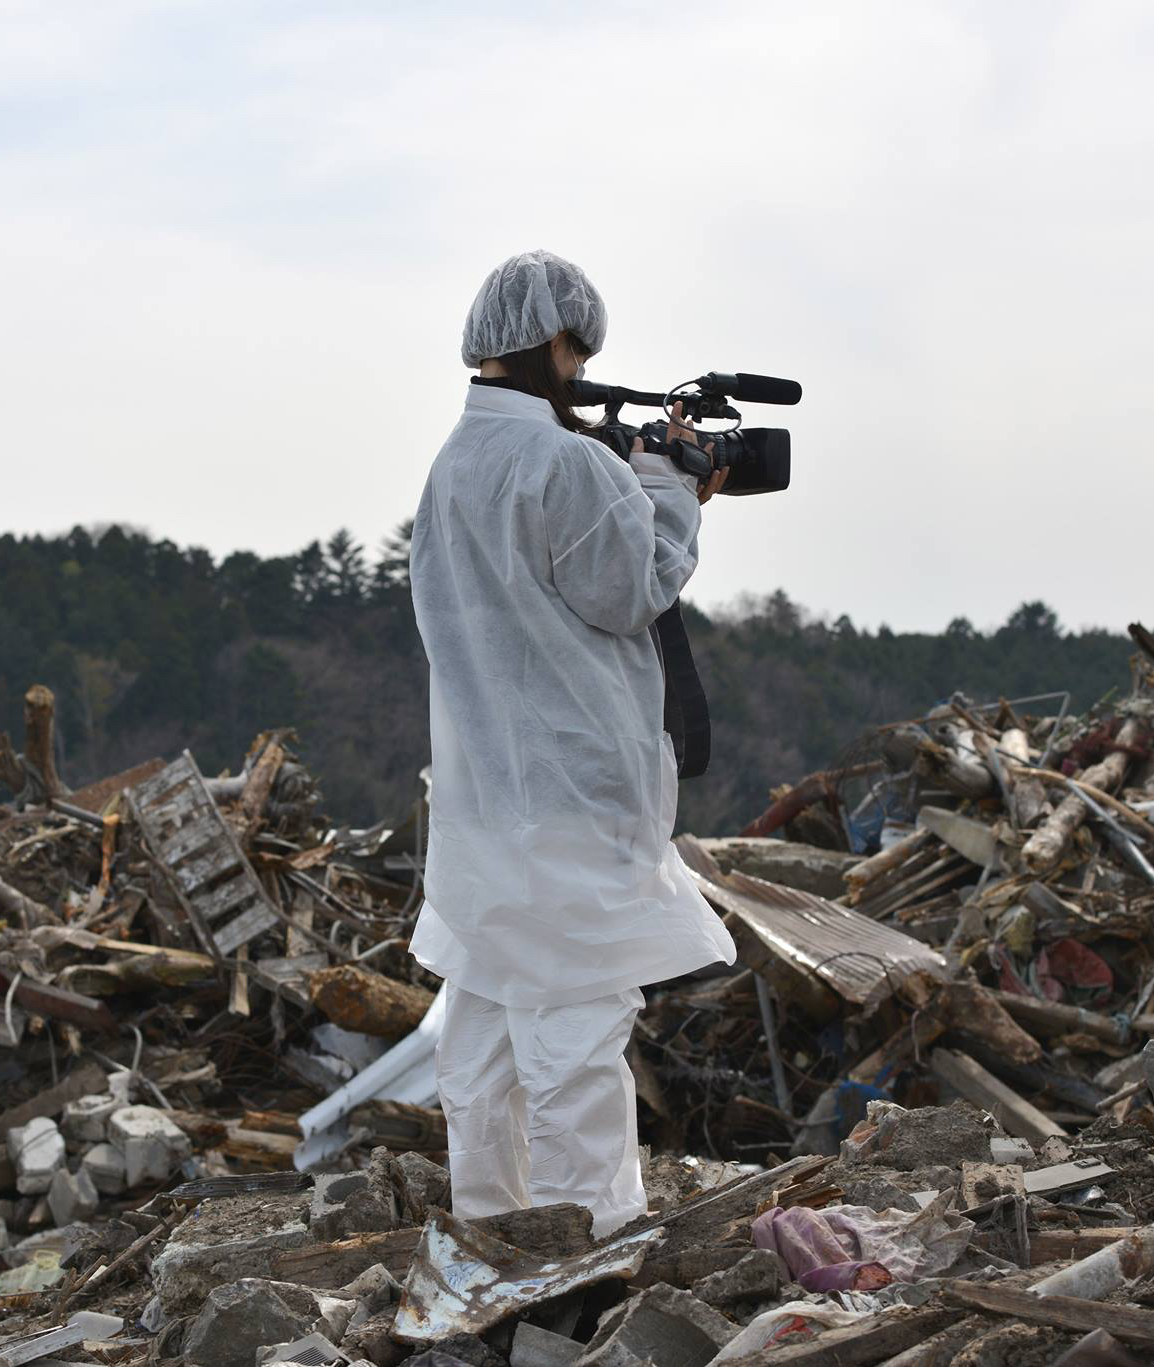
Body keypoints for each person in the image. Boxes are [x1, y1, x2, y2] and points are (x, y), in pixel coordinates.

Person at [408, 249, 738, 1237]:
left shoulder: (453, 464)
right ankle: (583, 1259)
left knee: (481, 1041)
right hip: (566, 789)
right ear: (554, 343)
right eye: (580, 346)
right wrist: (673, 490)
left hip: (481, 793)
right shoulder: (563, 462)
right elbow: (629, 589)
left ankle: (492, 1240)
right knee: (572, 1037)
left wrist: (633, 478)